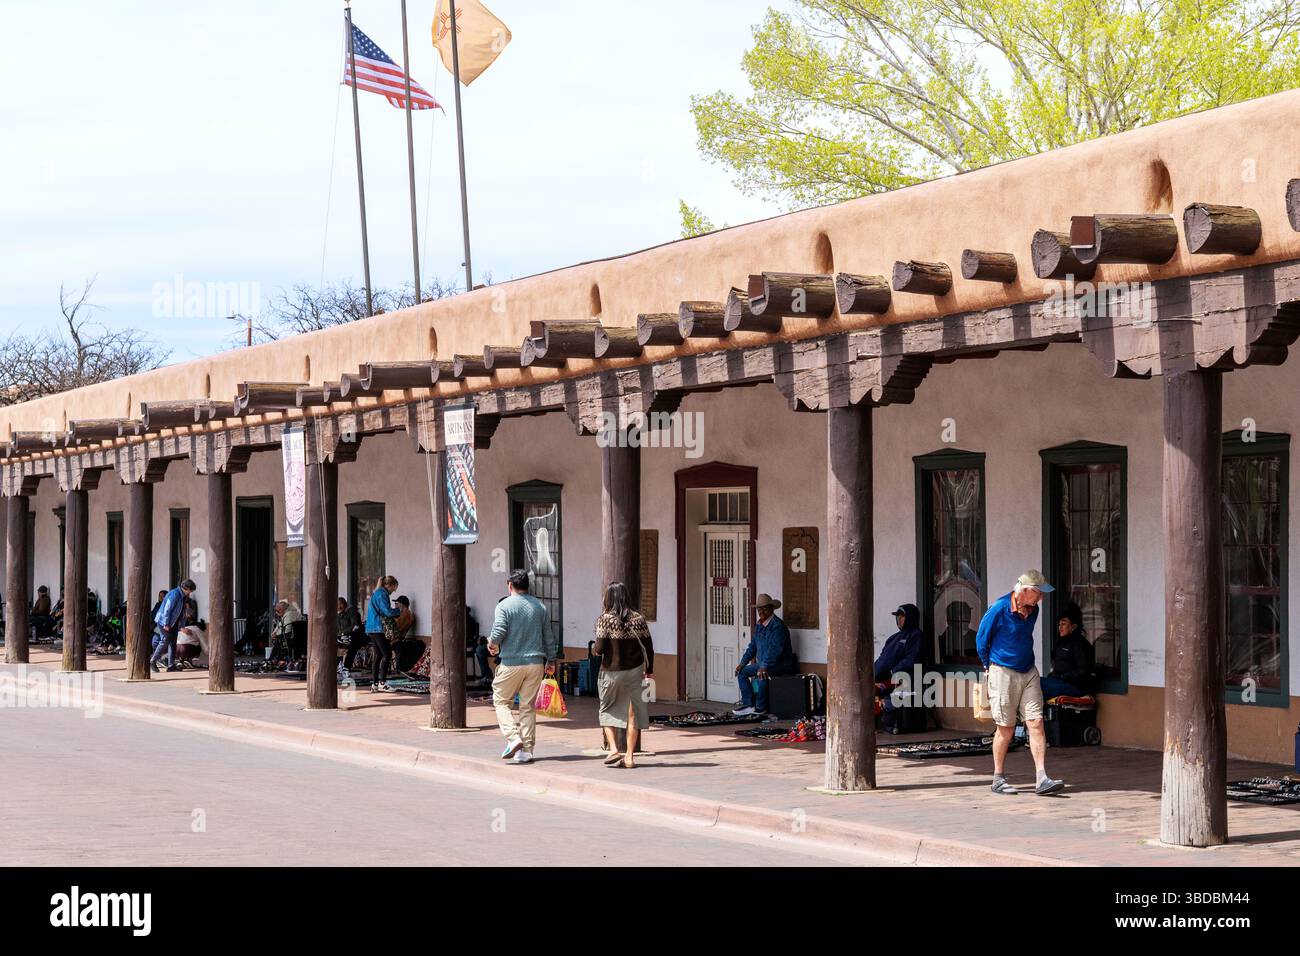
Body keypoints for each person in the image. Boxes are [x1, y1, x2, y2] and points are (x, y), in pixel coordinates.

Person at [975, 569, 1064, 796]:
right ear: (1025, 591)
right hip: (1002, 671)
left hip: (1028, 671)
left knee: (1036, 723)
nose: (1042, 598)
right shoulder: (999, 608)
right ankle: (998, 777)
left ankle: (1042, 777)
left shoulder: (1033, 610)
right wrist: (989, 668)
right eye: (1038, 593)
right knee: (1006, 728)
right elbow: (981, 640)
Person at [488, 570, 558, 764]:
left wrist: (492, 644)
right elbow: (548, 636)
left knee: (501, 701)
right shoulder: (540, 607)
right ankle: (525, 751)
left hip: (511, 662)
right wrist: (551, 660)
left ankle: (513, 738)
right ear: (528, 586)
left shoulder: (504, 606)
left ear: (510, 585)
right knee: (528, 707)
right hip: (536, 663)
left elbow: (499, 632)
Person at [593, 582, 654, 769]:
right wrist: (649, 671)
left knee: (606, 709)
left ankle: (613, 749)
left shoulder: (605, 619)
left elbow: (600, 648)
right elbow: (649, 648)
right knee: (634, 714)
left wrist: (596, 651)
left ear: (609, 598)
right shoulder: (639, 619)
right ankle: (629, 757)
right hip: (635, 671)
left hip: (611, 672)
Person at [732, 593, 795, 717]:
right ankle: (749, 705)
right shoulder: (760, 625)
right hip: (764, 663)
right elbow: (752, 647)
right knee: (742, 672)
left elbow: (774, 651)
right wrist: (742, 663)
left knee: (762, 674)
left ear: (771, 609)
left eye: (765, 608)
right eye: (759, 609)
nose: (761, 611)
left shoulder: (778, 627)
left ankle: (761, 708)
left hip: (780, 664)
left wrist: (764, 666)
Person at [874, 603, 925, 733]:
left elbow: (911, 659)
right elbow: (883, 657)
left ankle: (893, 722)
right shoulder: (893, 638)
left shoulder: (916, 636)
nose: (899, 620)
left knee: (892, 695)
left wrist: (892, 672)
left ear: (910, 618)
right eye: (898, 617)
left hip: (901, 678)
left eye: (902, 617)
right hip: (882, 677)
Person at [1040, 601, 1095, 700]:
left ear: (1073, 627)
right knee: (1032, 682)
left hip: (1074, 686)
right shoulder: (1062, 642)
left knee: (1037, 685)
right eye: (1059, 624)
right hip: (1057, 681)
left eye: (1064, 624)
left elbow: (1083, 670)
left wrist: (1063, 676)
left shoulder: (1079, 644)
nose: (1060, 627)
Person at [150, 579, 197, 673]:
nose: (190, 593)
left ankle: (171, 666)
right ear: (186, 588)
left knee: (173, 643)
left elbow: (182, 613)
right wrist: (166, 623)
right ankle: (153, 661)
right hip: (164, 622)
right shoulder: (175, 594)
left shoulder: (183, 596)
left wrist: (181, 626)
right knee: (165, 641)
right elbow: (167, 609)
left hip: (174, 623)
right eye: (190, 591)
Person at [365, 576, 401, 691]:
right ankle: (382, 682)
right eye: (394, 588)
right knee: (387, 654)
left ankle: (375, 684)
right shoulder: (382, 594)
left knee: (378, 655)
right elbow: (387, 611)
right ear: (389, 585)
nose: (393, 591)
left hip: (371, 628)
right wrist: (399, 610)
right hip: (378, 628)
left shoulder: (377, 593)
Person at [336, 597, 365, 675]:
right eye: (337, 605)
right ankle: (339, 665)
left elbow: (355, 626)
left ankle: (346, 667)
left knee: (351, 646)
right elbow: (337, 627)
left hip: (355, 636)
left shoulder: (352, 611)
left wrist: (343, 633)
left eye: (340, 605)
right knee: (334, 644)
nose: (338, 607)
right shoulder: (339, 614)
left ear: (344, 604)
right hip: (343, 636)